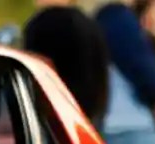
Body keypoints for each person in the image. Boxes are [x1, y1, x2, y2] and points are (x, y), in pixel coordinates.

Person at [95, 0, 155, 144]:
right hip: (135, 128)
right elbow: (150, 80)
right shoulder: (120, 22)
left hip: (104, 129)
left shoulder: (100, 21)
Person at [22, 0, 111, 128]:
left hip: (53, 120)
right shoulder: (90, 25)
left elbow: (34, 74)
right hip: (87, 120)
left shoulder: (41, 24)